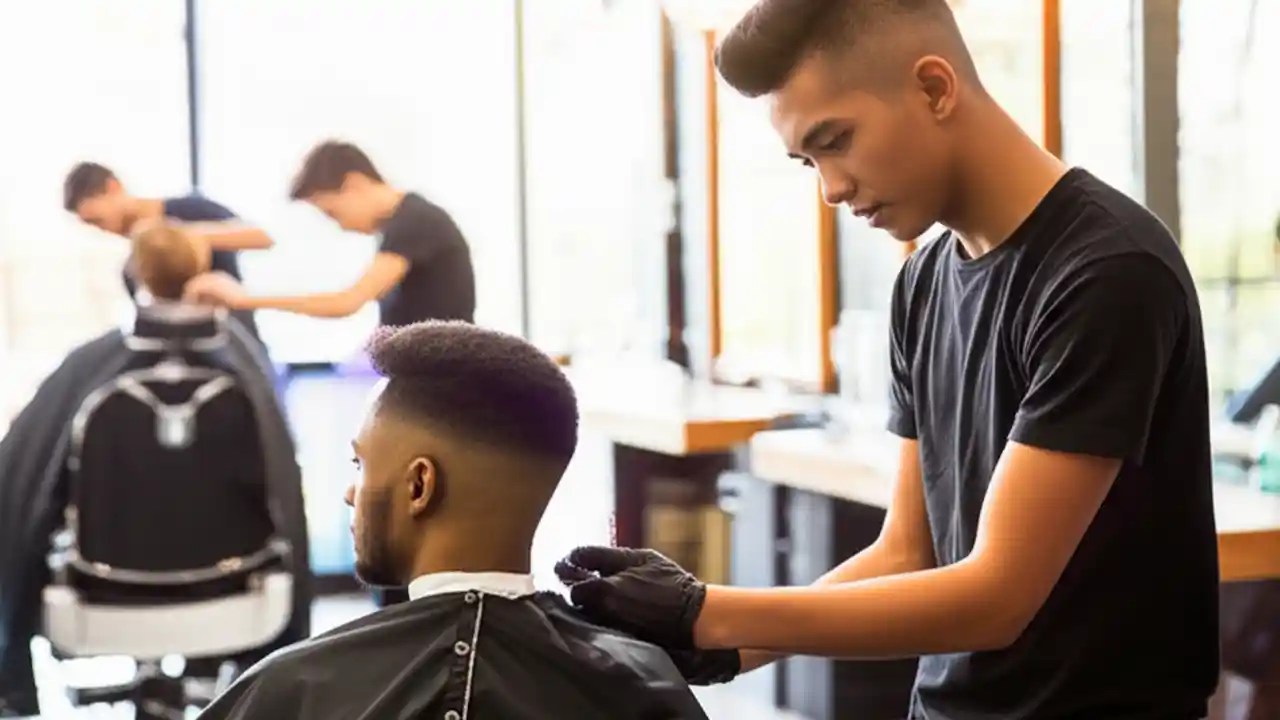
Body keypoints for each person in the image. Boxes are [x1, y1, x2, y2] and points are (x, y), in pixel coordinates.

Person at [555, 1, 1219, 718]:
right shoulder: (925, 282)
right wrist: (726, 647)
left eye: (835, 140)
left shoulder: (1107, 272)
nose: (830, 188)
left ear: (935, 88)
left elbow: (997, 596)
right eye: (807, 160)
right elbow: (908, 551)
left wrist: (710, 610)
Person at [196, 322, 708, 720]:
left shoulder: (290, 690)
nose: (351, 491)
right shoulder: (641, 685)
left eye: (361, 464)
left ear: (419, 486)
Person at [0, 224, 311, 718]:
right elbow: (285, 495)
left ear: (134, 273)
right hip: (238, 596)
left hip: (100, 596)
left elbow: (20, 479)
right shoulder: (243, 364)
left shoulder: (91, 365)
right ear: (201, 268)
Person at [184, 140, 476, 328]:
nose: (339, 226)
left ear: (354, 184)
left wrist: (243, 300)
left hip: (445, 376)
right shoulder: (400, 224)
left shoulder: (414, 222)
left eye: (332, 213)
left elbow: (346, 302)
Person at [63, 161, 273, 345]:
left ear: (114, 187)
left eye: (98, 220)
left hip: (232, 340)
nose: (102, 229)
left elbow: (261, 238)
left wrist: (177, 238)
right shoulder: (131, 268)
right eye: (91, 225)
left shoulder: (191, 211)